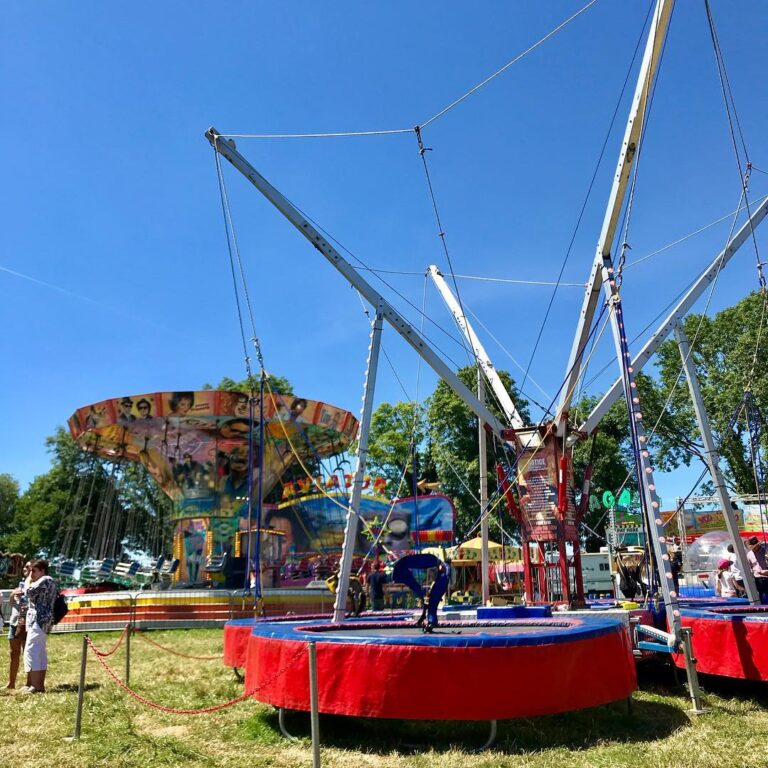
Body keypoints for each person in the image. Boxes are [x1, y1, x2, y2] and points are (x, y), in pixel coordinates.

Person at [21, 559, 58, 693]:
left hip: (40, 619)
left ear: (42, 570)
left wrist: (27, 582)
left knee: (31, 650)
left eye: (34, 571)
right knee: (39, 652)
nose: (31, 574)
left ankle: (36, 686)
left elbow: (28, 592)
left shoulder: (45, 579)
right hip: (41, 620)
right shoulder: (47, 580)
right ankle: (39, 686)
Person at [5, 560, 31, 689]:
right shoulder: (21, 584)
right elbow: (12, 604)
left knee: (28, 652)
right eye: (25, 567)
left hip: (27, 622)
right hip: (15, 621)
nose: (25, 568)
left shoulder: (35, 585)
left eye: (28, 566)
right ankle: (11, 683)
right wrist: (12, 595)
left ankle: (29, 683)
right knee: (14, 652)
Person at [745, 535, 768, 599]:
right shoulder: (749, 554)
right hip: (757, 578)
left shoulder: (765, 551)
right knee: (759, 596)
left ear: (758, 545)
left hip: (767, 576)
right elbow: (749, 566)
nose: (753, 548)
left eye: (754, 547)